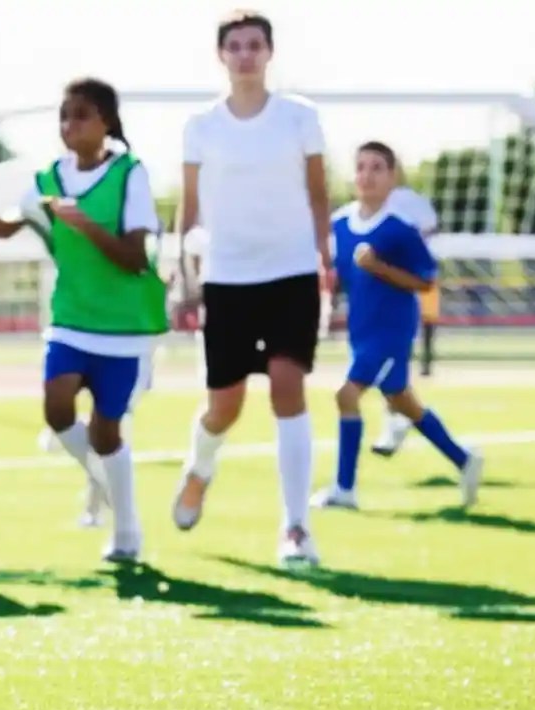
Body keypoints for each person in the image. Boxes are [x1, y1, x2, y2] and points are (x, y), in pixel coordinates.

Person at [0, 77, 166, 562]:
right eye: (64, 115)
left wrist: (85, 225)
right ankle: (102, 484)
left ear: (106, 122)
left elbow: (135, 258)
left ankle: (126, 531)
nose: (69, 125)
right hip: (71, 318)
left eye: (81, 115)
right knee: (56, 407)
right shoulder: (47, 179)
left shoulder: (130, 174)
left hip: (124, 327)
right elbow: (2, 227)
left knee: (106, 432)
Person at [171, 11, 332, 566]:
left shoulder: (299, 118)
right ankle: (200, 468)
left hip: (292, 273)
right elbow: (188, 209)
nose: (245, 55)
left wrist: (325, 262)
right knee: (225, 405)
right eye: (235, 46)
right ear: (222, 55)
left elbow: (318, 195)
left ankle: (296, 527)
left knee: (289, 386)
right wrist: (182, 277)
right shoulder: (201, 126)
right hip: (228, 277)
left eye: (254, 45)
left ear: (270, 52)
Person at [312, 142, 481, 510]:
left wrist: (380, 268)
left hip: (393, 331)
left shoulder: (400, 229)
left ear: (392, 177)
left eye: (376, 167)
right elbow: (334, 275)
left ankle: (344, 489)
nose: (367, 175)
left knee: (346, 394)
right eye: (360, 167)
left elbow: (425, 282)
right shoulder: (340, 224)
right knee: (403, 401)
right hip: (362, 330)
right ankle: (464, 459)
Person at [367, 183, 441, 456]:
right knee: (384, 365)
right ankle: (397, 420)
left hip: (404, 286)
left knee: (390, 364)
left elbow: (428, 229)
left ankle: (396, 421)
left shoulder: (408, 202)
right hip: (386, 287)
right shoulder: (373, 205)